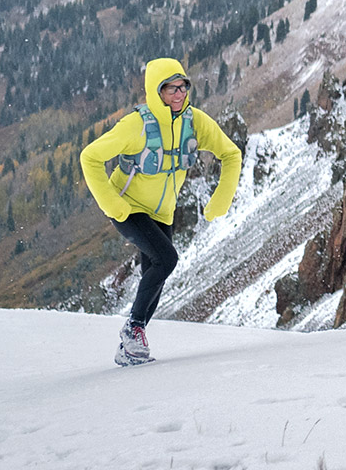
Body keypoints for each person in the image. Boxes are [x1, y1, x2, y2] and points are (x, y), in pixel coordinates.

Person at [79, 57, 242, 366]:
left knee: (155, 273)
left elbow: (231, 153)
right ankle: (134, 329)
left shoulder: (195, 123)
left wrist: (221, 199)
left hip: (163, 213)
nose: (179, 94)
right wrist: (112, 204)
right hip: (129, 207)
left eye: (183, 87)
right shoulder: (136, 125)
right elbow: (90, 157)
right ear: (156, 92)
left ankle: (129, 348)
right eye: (170, 88)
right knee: (167, 259)